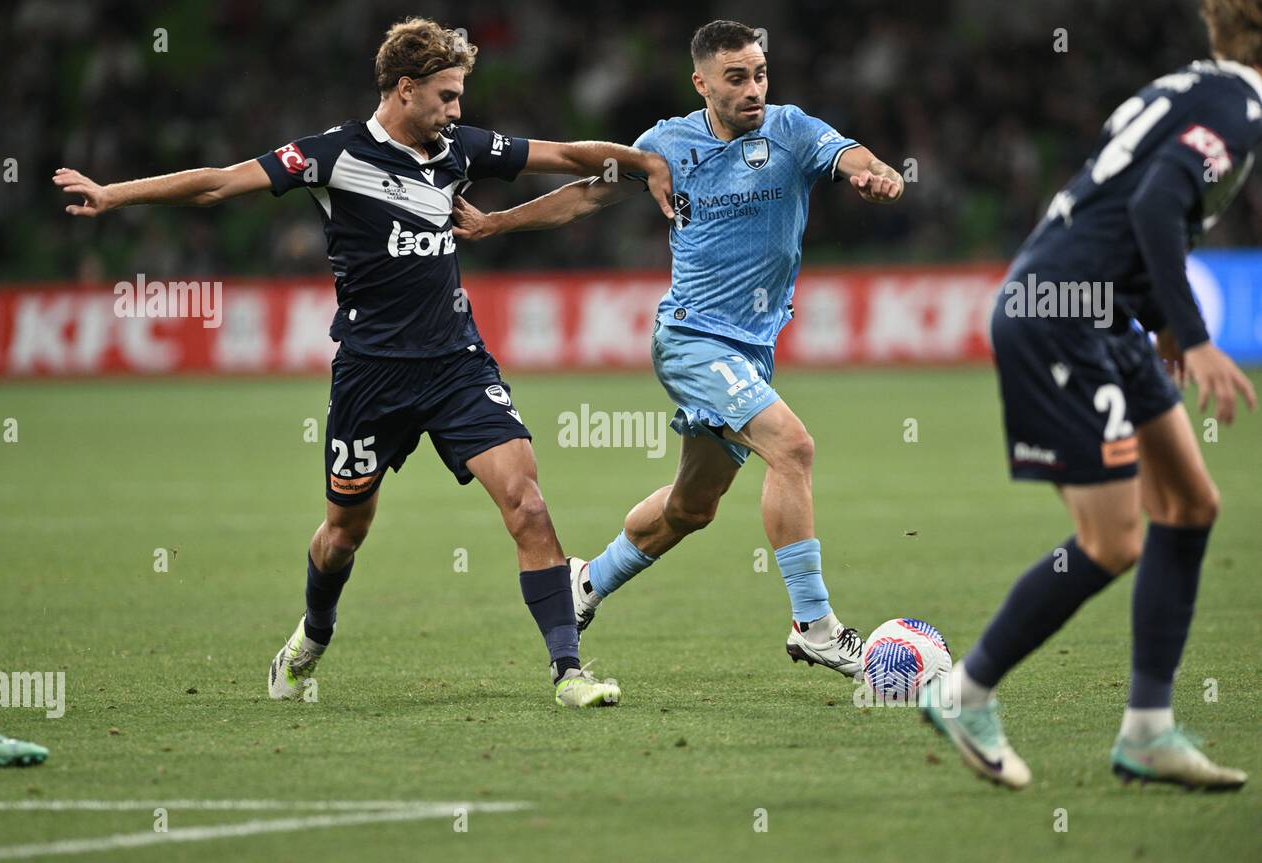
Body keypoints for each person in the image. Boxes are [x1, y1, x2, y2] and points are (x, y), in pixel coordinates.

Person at [53, 17, 676, 708]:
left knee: (527, 504)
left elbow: (564, 156)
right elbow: (218, 185)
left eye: (460, 95)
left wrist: (644, 162)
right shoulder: (331, 155)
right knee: (344, 534)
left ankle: (568, 670)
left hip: (456, 365)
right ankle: (311, 638)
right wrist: (115, 194)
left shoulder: (459, 149)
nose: (457, 109)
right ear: (405, 89)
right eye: (446, 95)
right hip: (370, 376)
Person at [452, 20, 903, 680]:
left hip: (749, 352)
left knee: (693, 508)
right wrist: (496, 222)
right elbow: (585, 196)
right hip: (692, 340)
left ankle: (586, 583)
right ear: (703, 84)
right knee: (793, 446)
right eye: (736, 78)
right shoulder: (665, 145)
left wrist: (878, 174)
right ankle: (816, 627)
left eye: (760, 74)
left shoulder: (793, 131)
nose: (754, 89)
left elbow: (851, 155)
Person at [920, 0, 1260, 789]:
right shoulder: (1240, 106)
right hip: (1062, 316)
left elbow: (1109, 209)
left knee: (1191, 504)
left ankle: (1147, 731)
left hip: (1103, 312)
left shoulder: (1181, 87)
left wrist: (1154, 322)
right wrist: (1196, 334)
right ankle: (964, 688)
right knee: (1115, 541)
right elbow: (1151, 206)